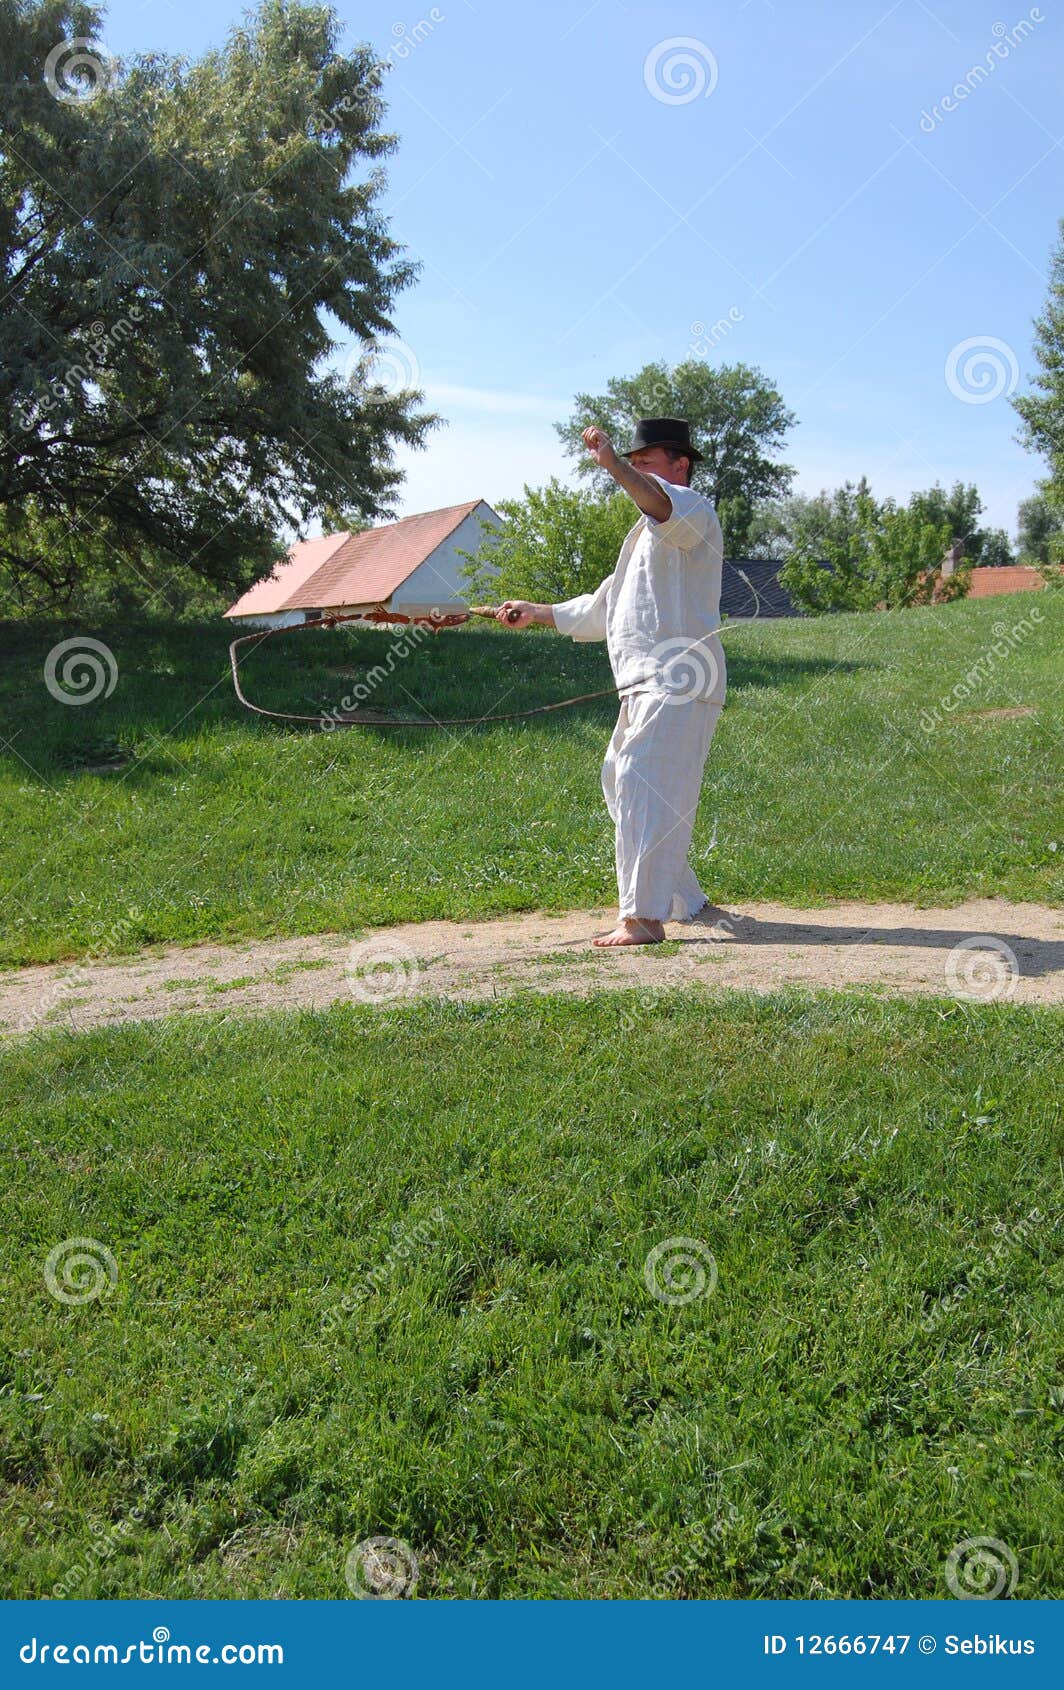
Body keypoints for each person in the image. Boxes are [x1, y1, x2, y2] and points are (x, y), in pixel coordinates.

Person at [482, 417, 726, 947]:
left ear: (679, 464)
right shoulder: (640, 540)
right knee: (624, 781)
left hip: (679, 679)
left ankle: (642, 919)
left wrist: (613, 465)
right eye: (633, 462)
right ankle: (684, 899)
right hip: (644, 684)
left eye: (647, 461)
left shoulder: (691, 510)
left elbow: (659, 503)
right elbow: (602, 611)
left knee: (641, 779)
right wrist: (536, 611)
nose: (638, 470)